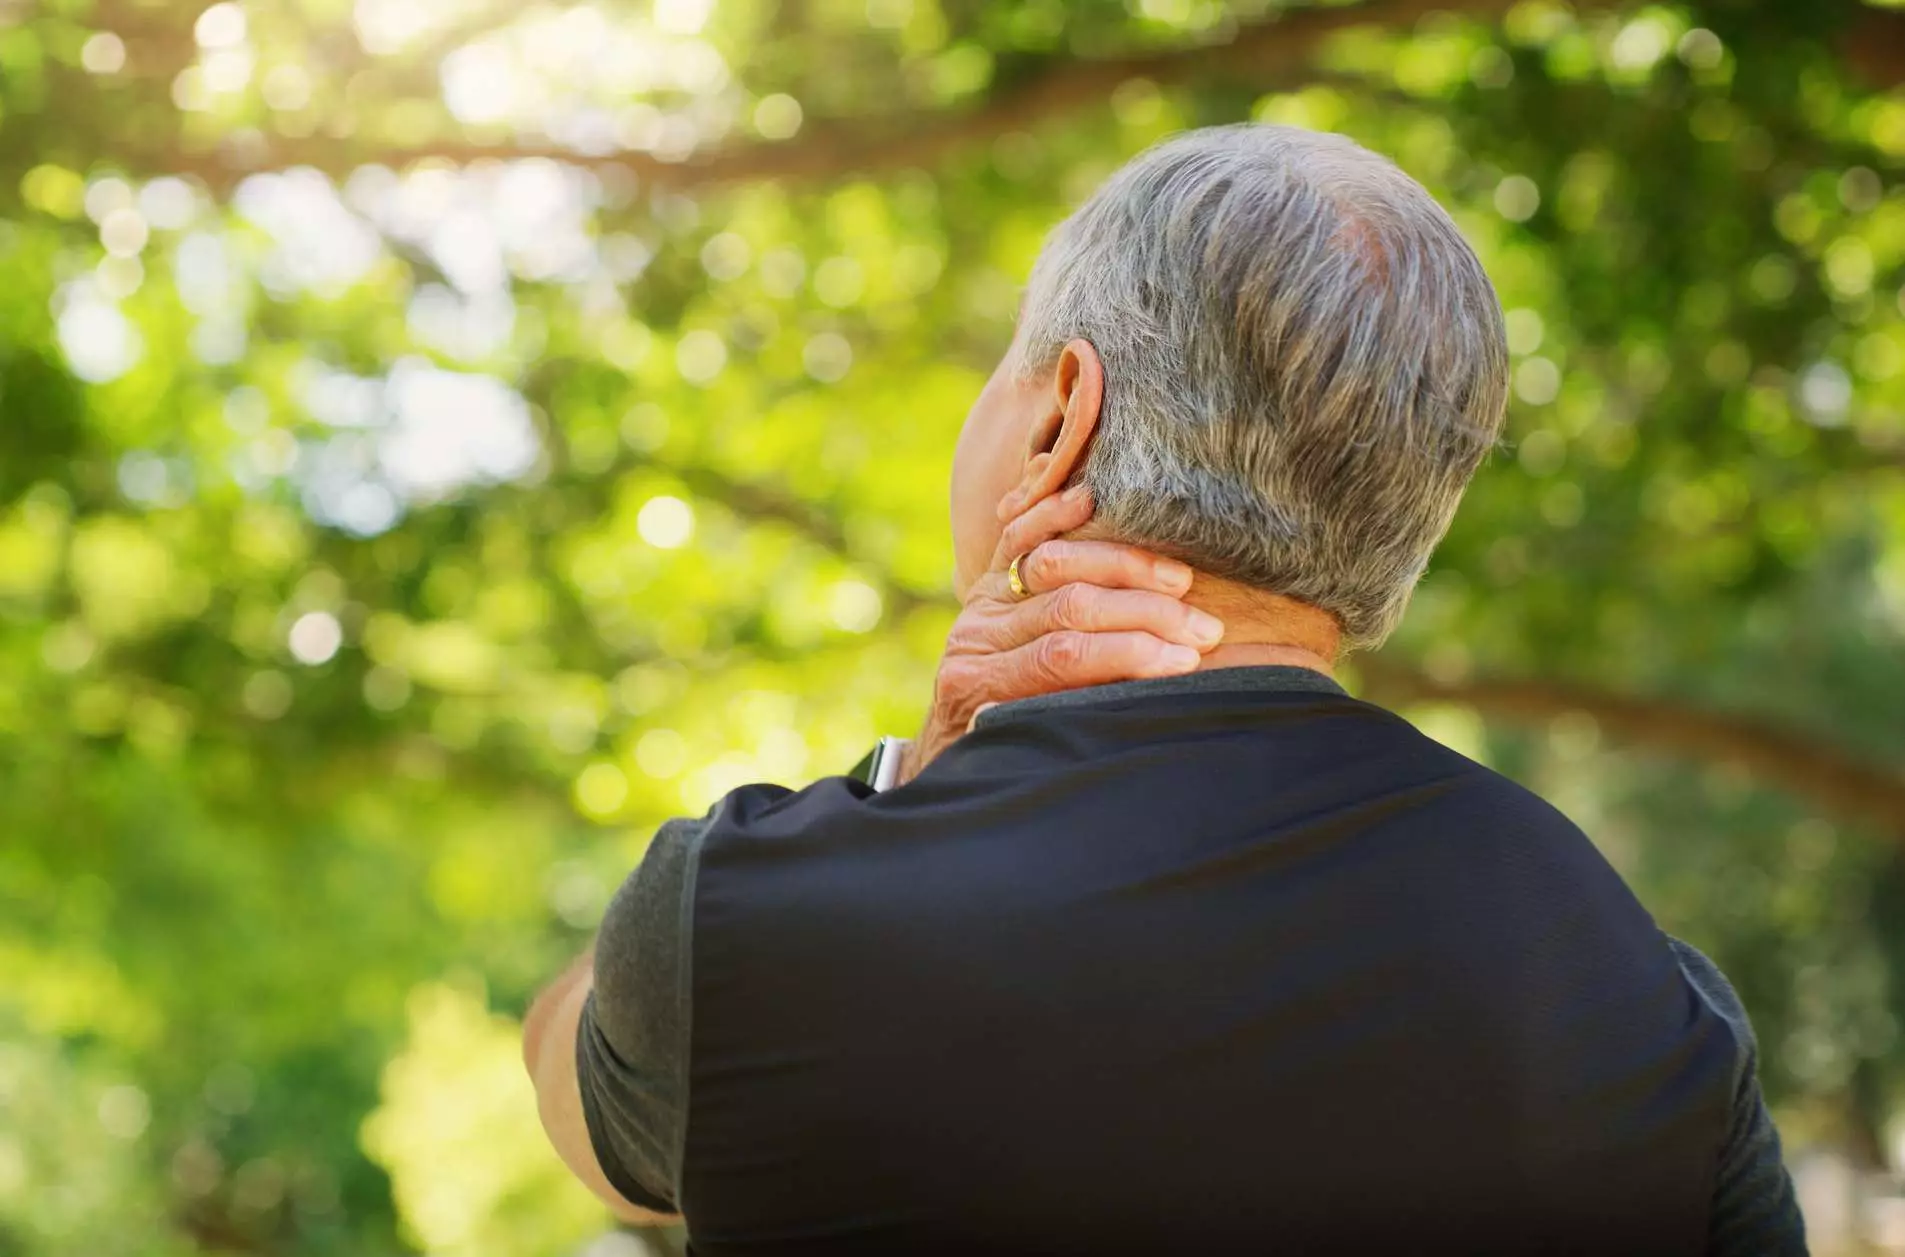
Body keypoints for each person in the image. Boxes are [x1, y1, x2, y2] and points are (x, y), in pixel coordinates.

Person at [523, 123, 1806, 1255]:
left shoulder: (753, 921)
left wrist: (897, 791)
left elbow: (577, 1086)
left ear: (1059, 416)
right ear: (1403, 522)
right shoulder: (1639, 995)